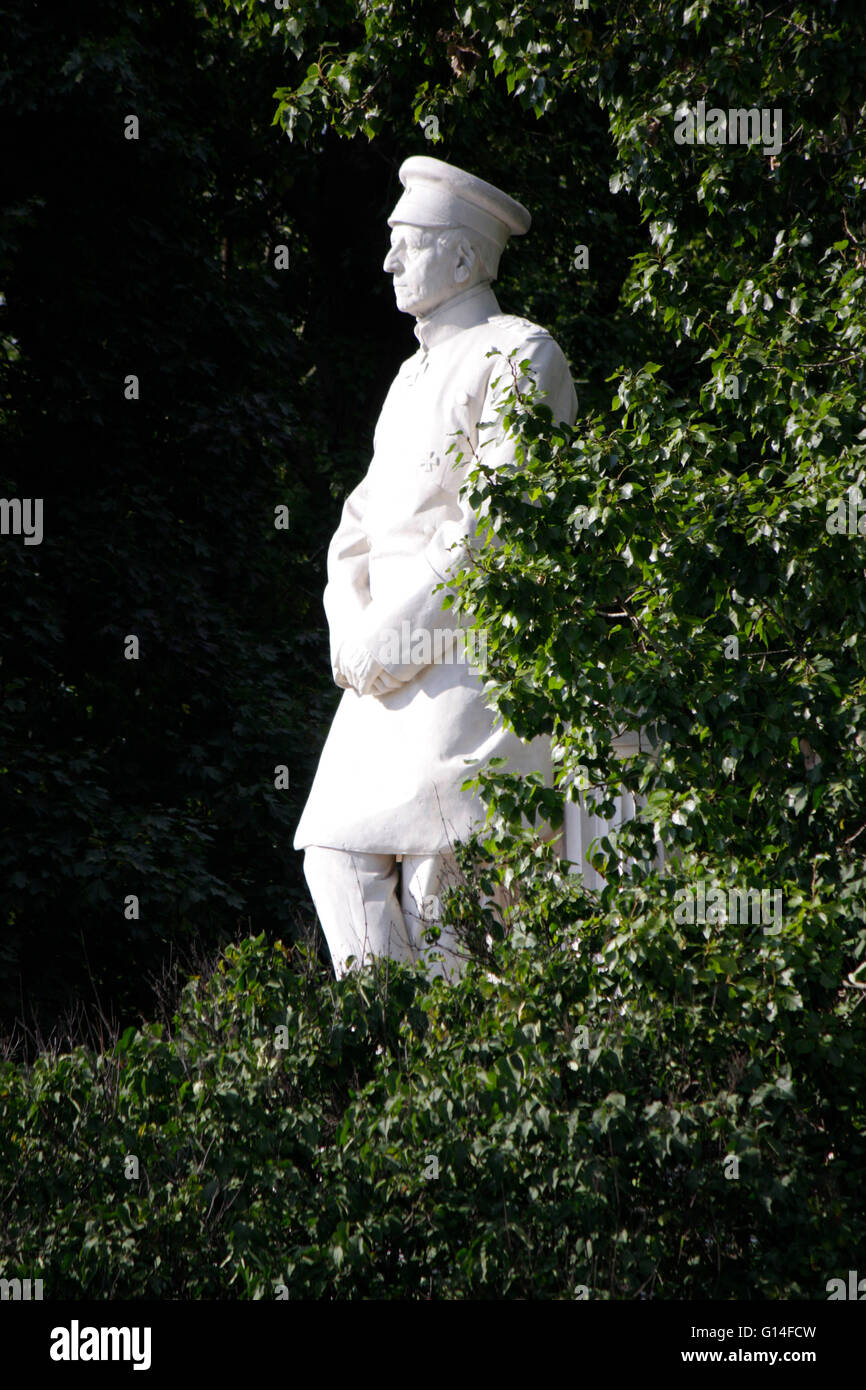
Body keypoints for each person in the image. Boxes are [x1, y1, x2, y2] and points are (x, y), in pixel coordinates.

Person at [293, 155, 577, 978]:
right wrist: (350, 627)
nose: (386, 262)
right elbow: (356, 528)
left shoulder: (521, 355)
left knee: (440, 892)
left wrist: (394, 637)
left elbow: (499, 528)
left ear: (461, 257)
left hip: (464, 667)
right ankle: (387, 1061)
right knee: (333, 858)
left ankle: (442, 1080)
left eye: (405, 244)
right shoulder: (407, 378)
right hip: (379, 674)